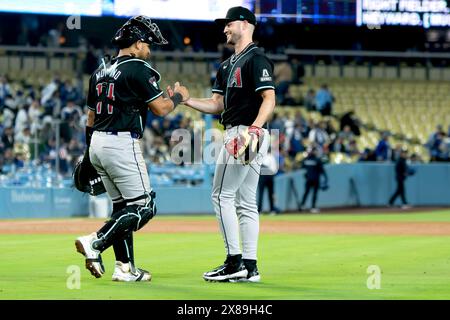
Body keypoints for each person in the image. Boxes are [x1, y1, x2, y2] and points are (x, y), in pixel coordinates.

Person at [74, 16, 189, 282]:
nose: (149, 50)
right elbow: (161, 109)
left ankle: (124, 268)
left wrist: (88, 154)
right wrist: (179, 96)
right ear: (136, 44)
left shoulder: (100, 71)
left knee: (122, 207)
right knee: (145, 205)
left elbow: (90, 119)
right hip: (121, 142)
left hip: (97, 143)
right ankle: (96, 241)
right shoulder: (139, 68)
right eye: (147, 44)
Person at [180, 6, 275, 282]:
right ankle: (250, 266)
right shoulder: (226, 65)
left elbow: (269, 98)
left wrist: (255, 129)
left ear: (244, 24)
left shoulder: (256, 58)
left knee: (221, 195)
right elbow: (216, 104)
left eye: (229, 24)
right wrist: (187, 100)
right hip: (246, 132)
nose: (225, 29)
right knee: (246, 202)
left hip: (245, 132)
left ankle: (234, 262)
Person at [299, 147, 328, 213]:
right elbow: (322, 170)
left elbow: (302, 167)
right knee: (313, 193)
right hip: (315, 179)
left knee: (307, 193)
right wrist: (326, 179)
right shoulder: (317, 160)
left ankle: (303, 206)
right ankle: (312, 207)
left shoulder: (306, 160)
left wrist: (306, 175)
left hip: (309, 179)